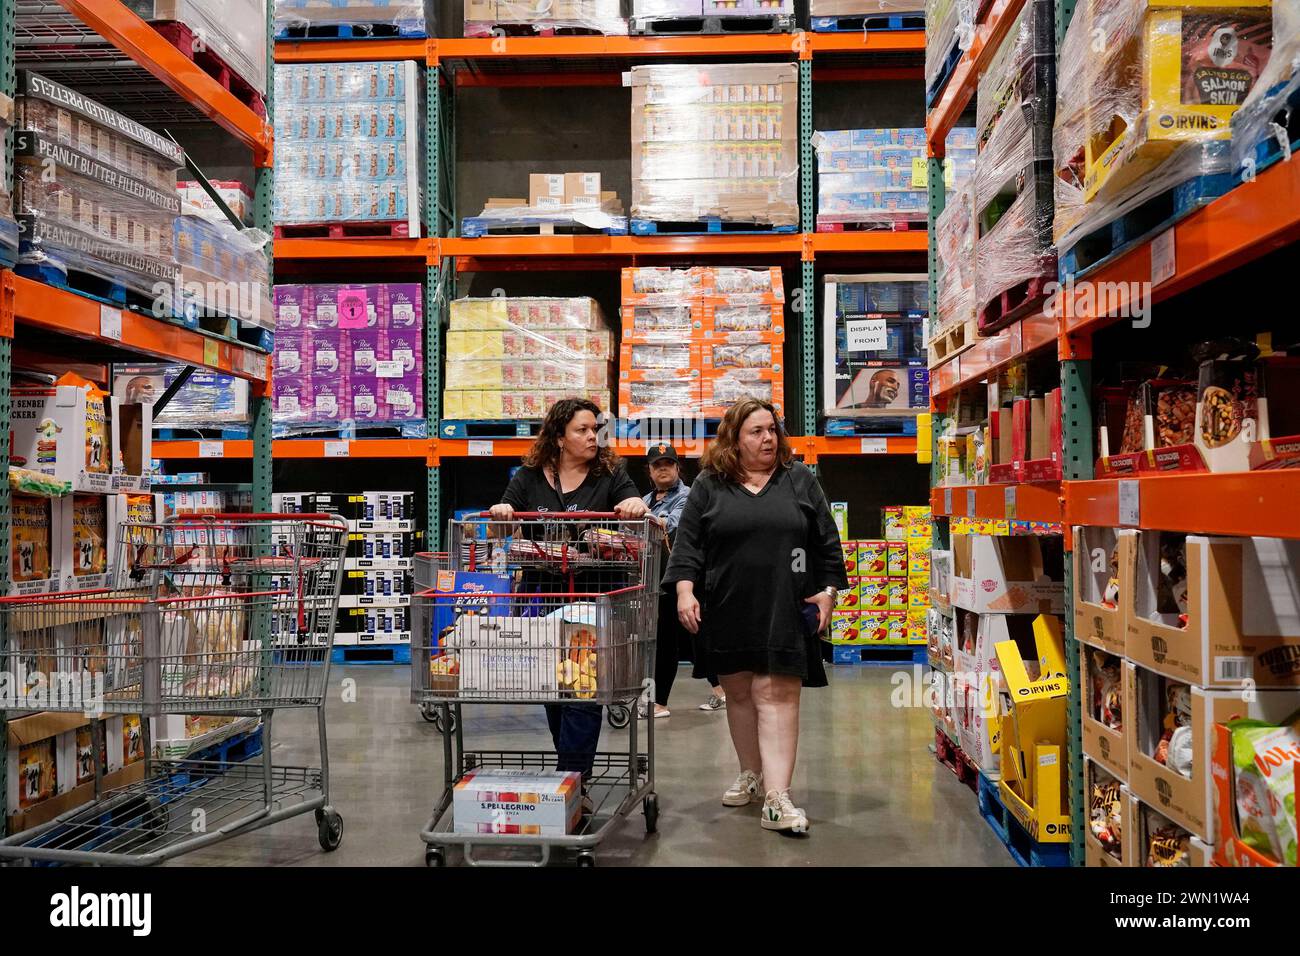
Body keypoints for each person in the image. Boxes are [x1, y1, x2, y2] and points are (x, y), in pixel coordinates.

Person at [662, 397, 847, 834]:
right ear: (735, 440)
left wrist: (827, 591)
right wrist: (685, 591)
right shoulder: (710, 484)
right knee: (740, 695)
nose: (768, 438)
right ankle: (751, 773)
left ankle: (778, 798)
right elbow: (688, 544)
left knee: (778, 695)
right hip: (726, 607)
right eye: (756, 431)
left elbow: (826, 543)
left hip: (787, 606)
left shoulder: (799, 479)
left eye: (772, 430)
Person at [488, 398, 647, 785]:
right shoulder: (528, 478)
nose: (592, 436)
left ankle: (572, 778)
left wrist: (632, 503)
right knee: (553, 686)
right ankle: (571, 775)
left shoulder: (610, 473)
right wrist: (502, 517)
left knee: (583, 687)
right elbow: (502, 530)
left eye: (595, 429)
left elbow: (635, 503)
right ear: (559, 437)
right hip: (543, 596)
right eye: (582, 430)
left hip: (595, 599)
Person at [638, 443, 725, 717]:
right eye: (656, 465)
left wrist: (642, 518)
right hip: (659, 581)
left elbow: (672, 523)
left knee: (688, 638)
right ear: (650, 471)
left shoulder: (689, 496)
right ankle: (715, 691)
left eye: (668, 464)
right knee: (677, 639)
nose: (662, 469)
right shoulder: (645, 500)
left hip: (688, 579)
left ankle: (663, 702)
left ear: (677, 468)